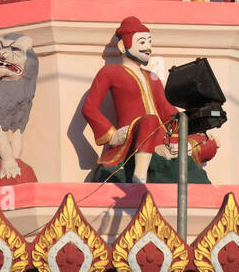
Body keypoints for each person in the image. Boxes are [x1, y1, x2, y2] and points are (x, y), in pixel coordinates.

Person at [80, 17, 215, 184]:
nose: (148, 48)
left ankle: (168, 150)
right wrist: (112, 136)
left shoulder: (153, 77)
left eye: (150, 42)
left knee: (209, 141)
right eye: (142, 42)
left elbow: (167, 112)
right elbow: (89, 108)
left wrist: (194, 124)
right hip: (134, 134)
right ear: (123, 46)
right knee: (149, 120)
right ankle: (140, 175)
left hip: (160, 136)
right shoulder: (111, 72)